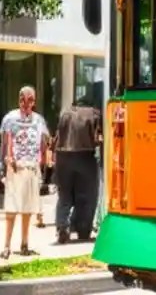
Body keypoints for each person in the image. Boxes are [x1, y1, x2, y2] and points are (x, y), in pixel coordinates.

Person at [0, 86, 49, 259]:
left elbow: (44, 143)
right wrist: (4, 164)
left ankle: (25, 243)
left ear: (34, 101)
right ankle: (6, 245)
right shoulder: (10, 119)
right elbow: (5, 143)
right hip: (15, 166)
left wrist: (43, 163)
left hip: (31, 166)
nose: (26, 103)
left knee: (27, 208)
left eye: (30, 100)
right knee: (11, 208)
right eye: (23, 99)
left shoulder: (38, 120)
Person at [54, 96, 102, 243]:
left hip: (62, 156)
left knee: (65, 195)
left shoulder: (65, 113)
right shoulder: (93, 113)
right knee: (87, 195)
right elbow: (98, 138)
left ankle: (62, 225)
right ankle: (83, 228)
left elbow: (56, 136)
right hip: (84, 155)